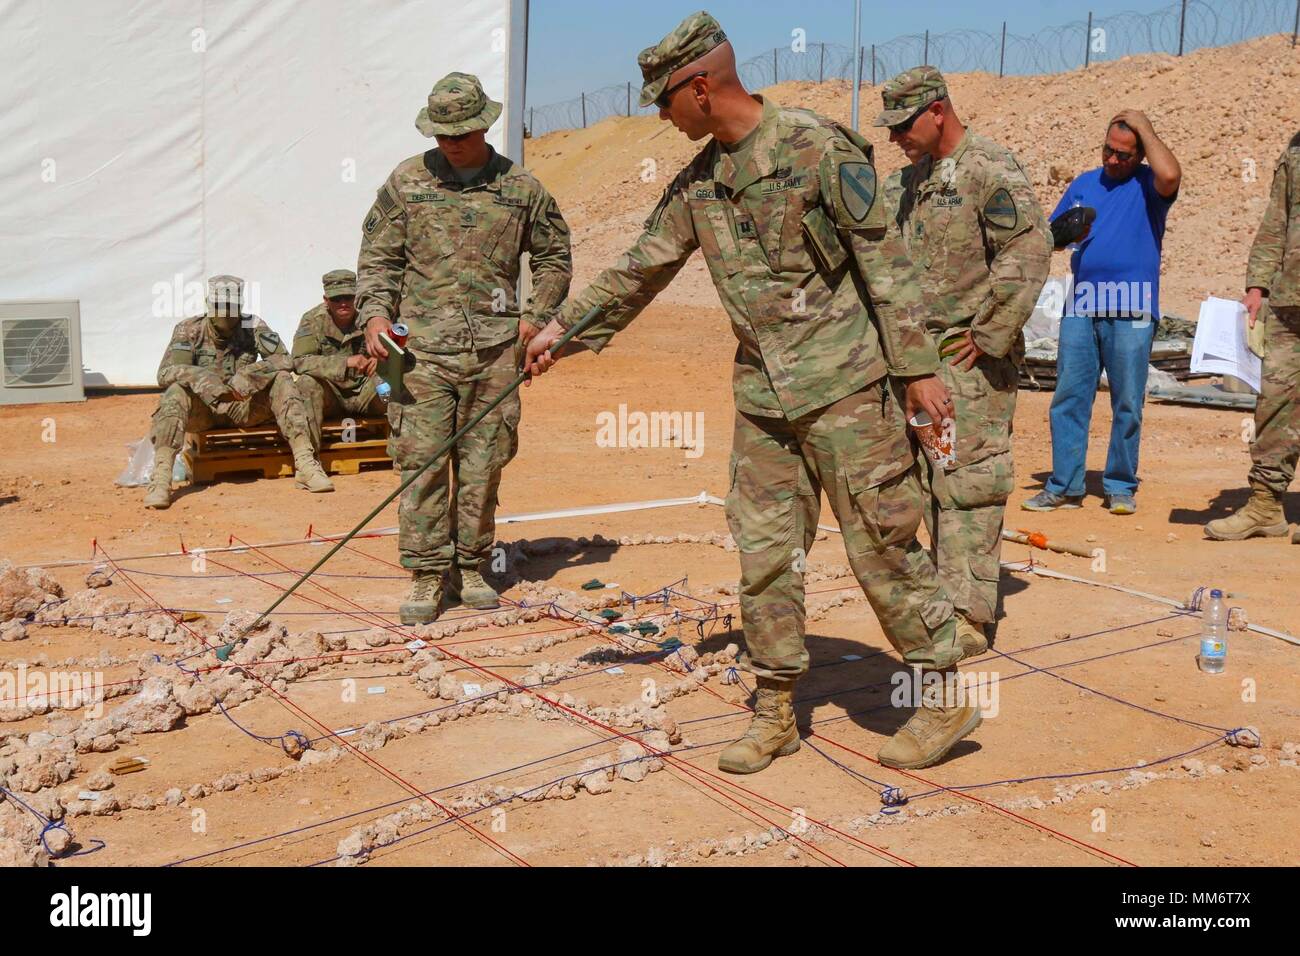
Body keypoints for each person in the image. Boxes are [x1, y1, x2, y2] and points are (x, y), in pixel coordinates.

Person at [526, 12, 980, 775]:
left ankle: (939, 693)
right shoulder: (700, 184)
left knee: (883, 543)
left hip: (847, 390)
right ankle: (775, 712)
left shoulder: (818, 147)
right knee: (767, 555)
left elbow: (886, 261)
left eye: (664, 102)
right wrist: (559, 330)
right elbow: (641, 268)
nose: (662, 118)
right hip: (765, 401)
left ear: (699, 88)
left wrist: (918, 369)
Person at [356, 72, 572, 623]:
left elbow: (553, 257)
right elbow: (379, 260)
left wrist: (537, 317)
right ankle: (427, 574)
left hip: (495, 352)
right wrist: (375, 314)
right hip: (416, 353)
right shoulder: (407, 183)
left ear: (484, 124)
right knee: (421, 464)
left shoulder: (520, 188)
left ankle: (472, 564)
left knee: (483, 464)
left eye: (462, 131)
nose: (451, 142)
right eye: (442, 133)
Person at [876, 66, 1051, 655]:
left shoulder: (990, 170)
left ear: (938, 111)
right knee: (932, 477)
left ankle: (971, 615)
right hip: (922, 363)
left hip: (969, 362)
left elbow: (1028, 250)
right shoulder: (910, 181)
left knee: (968, 483)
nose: (896, 136)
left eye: (903, 125)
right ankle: (946, 600)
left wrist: (990, 333)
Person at [1022, 110, 1181, 516]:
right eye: (1108, 150)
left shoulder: (1149, 184)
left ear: (1140, 155)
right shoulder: (1083, 184)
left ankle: (1120, 485)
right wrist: (1062, 234)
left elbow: (1170, 175)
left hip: (1133, 308)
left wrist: (1146, 126)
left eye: (1124, 154)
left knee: (1127, 401)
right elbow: (1051, 237)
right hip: (1083, 305)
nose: (1113, 159)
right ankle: (1065, 486)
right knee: (1070, 397)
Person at [145, 275, 327, 509]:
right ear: (209, 305)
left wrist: (248, 376)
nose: (226, 314)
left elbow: (284, 360)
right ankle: (161, 479)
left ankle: (305, 463)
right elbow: (165, 373)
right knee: (175, 393)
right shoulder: (189, 329)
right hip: (204, 411)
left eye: (231, 307)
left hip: (244, 406)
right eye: (220, 307)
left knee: (283, 380)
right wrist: (201, 377)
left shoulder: (252, 326)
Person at [1205, 132, 1300, 542]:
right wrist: (1258, 285)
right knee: (1276, 402)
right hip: (1290, 298)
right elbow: (1276, 219)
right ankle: (1265, 505)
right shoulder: (1296, 149)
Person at [291, 268, 385, 485]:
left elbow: (399, 350)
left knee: (395, 383)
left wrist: (381, 360)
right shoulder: (312, 320)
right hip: (331, 395)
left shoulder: (372, 319)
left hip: (366, 391)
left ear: (357, 296)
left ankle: (402, 449)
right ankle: (309, 462)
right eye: (336, 298)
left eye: (349, 297)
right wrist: (344, 363)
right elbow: (299, 361)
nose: (343, 303)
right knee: (306, 384)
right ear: (326, 300)